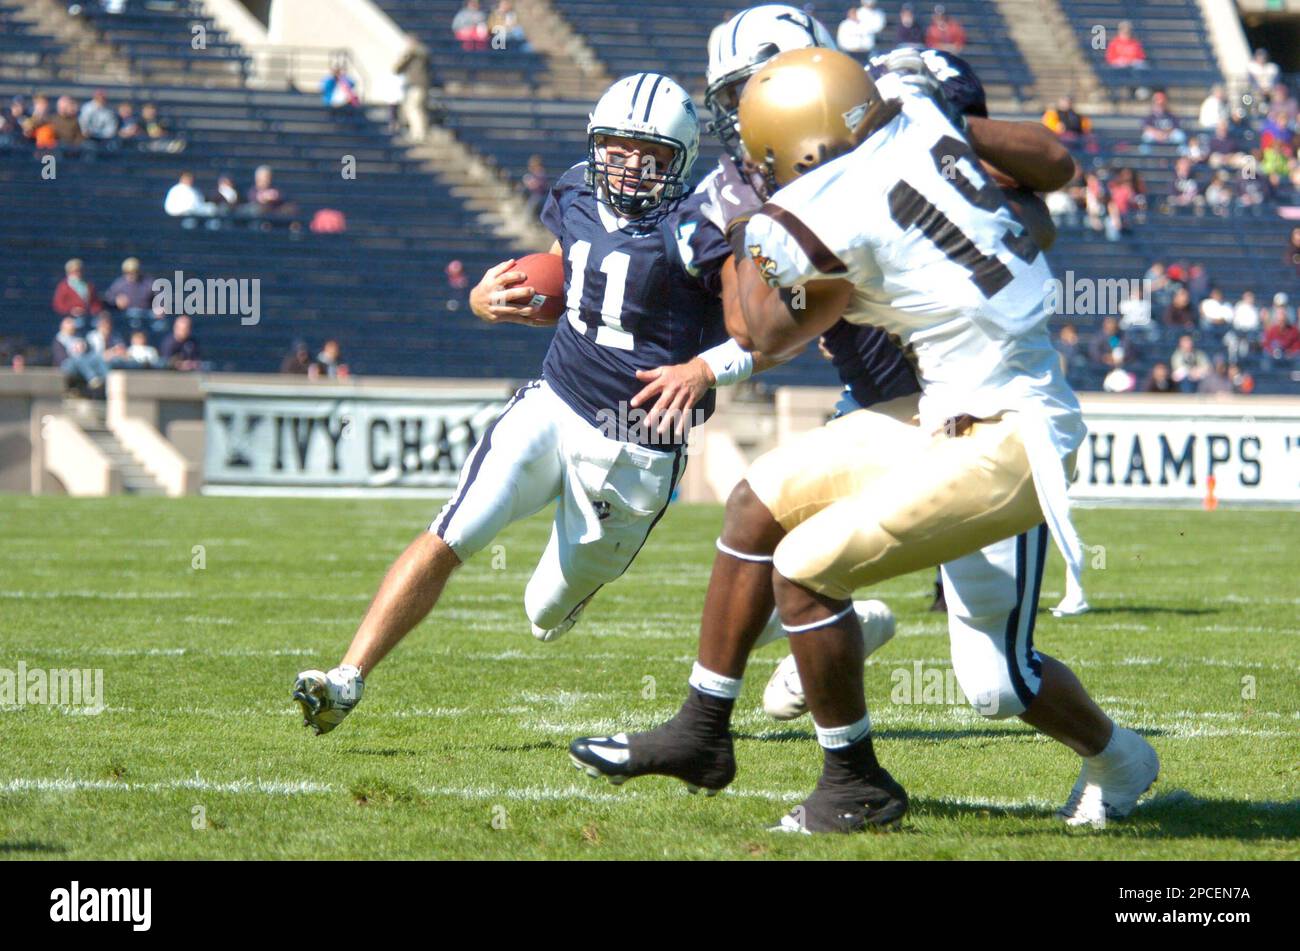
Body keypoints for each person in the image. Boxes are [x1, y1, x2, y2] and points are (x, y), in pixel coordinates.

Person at [572, 47, 1152, 834]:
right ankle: (704, 726)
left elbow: (761, 329)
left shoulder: (831, 200)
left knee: (976, 672)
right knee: (757, 504)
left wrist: (747, 225)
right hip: (944, 407)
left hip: (1008, 436)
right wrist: (953, 130)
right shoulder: (914, 125)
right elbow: (1051, 174)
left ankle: (871, 781)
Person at [292, 72, 782, 737]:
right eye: (618, 147)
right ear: (596, 145)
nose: (631, 166)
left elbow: (763, 333)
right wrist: (485, 301)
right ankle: (347, 676)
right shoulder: (576, 187)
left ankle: (798, 613)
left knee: (542, 611)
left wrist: (703, 368)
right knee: (452, 529)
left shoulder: (701, 229)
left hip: (632, 453)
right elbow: (563, 271)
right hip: (554, 402)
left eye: (652, 154)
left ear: (681, 159)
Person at [696, 8, 1074, 720]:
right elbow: (757, 331)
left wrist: (938, 126)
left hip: (980, 419)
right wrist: (752, 229)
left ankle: (1118, 760)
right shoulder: (754, 187)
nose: (738, 120)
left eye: (743, 95)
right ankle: (730, 716)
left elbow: (1041, 203)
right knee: (761, 522)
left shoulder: (900, 131)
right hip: (883, 415)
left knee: (998, 685)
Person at [52, 316, 109, 393]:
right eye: (70, 323)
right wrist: (77, 353)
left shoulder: (78, 336)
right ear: (63, 326)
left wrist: (84, 348)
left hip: (82, 363)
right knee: (77, 358)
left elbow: (89, 351)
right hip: (67, 365)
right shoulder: (59, 339)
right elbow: (61, 359)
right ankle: (92, 379)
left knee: (96, 356)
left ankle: (108, 378)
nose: (73, 326)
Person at [52, 258, 104, 324]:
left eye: (80, 271)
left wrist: (93, 311)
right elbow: (58, 305)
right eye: (75, 271)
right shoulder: (63, 286)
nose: (78, 273)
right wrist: (71, 310)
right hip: (70, 320)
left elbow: (95, 303)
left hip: (89, 319)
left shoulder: (89, 285)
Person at [105, 257, 153, 326]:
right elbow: (108, 297)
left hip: (145, 315)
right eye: (128, 272)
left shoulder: (147, 282)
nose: (131, 275)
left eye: (134, 272)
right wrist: (116, 300)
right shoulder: (119, 284)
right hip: (126, 315)